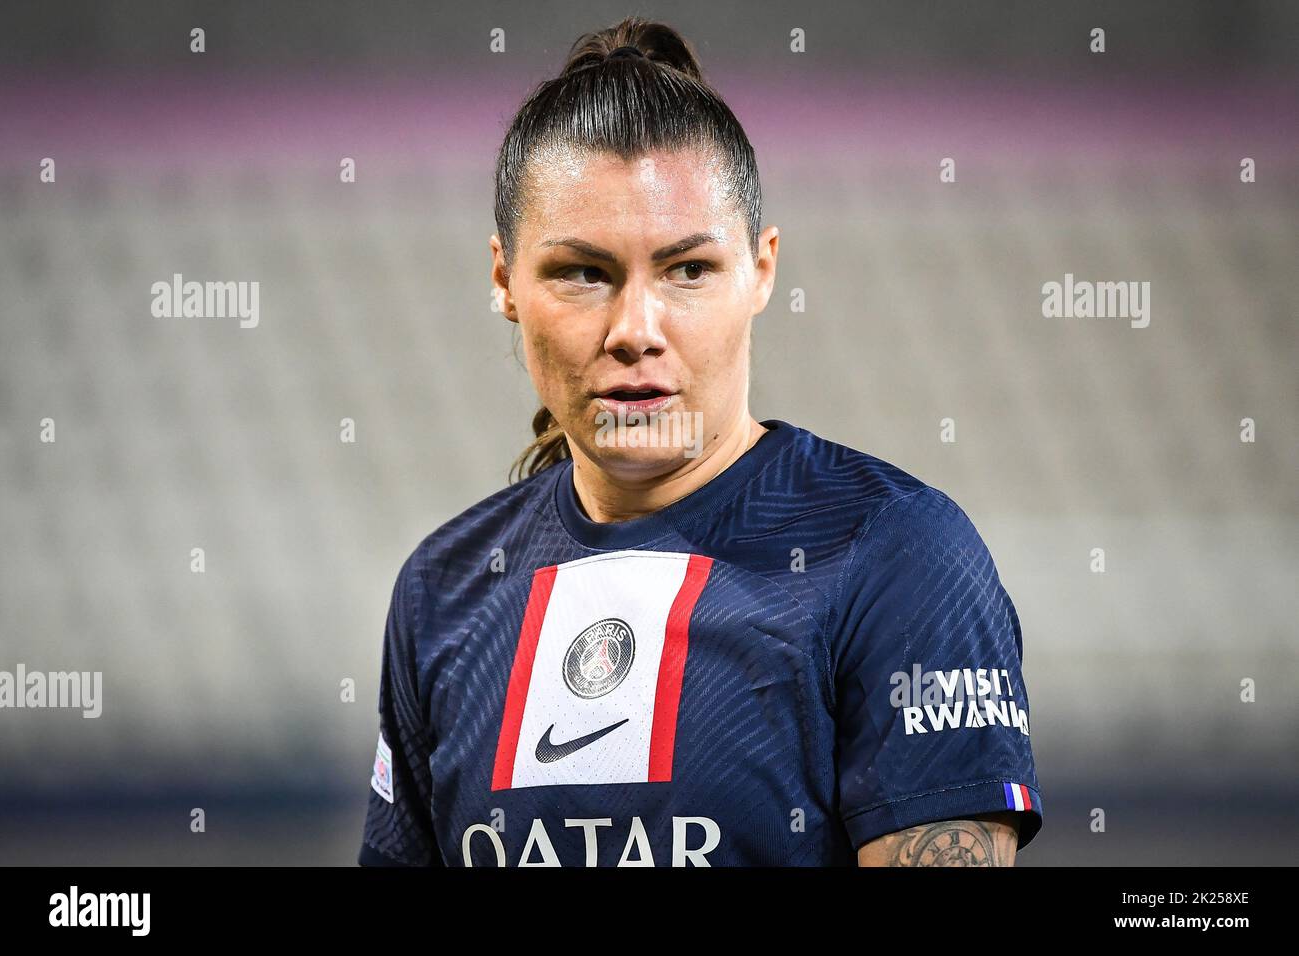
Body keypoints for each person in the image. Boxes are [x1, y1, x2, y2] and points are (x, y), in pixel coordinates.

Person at [359, 15, 1042, 867]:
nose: (635, 330)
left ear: (761, 270)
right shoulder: (442, 591)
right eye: (582, 272)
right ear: (504, 280)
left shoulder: (898, 557)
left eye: (688, 270)